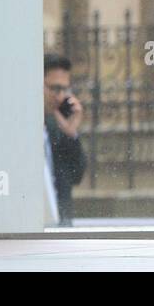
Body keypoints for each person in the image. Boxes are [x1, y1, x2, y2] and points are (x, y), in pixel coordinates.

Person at [42, 53, 86, 227]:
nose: (60, 96)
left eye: (64, 90)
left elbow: (76, 175)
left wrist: (71, 133)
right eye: (54, 88)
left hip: (61, 229)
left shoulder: (57, 127)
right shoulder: (23, 128)